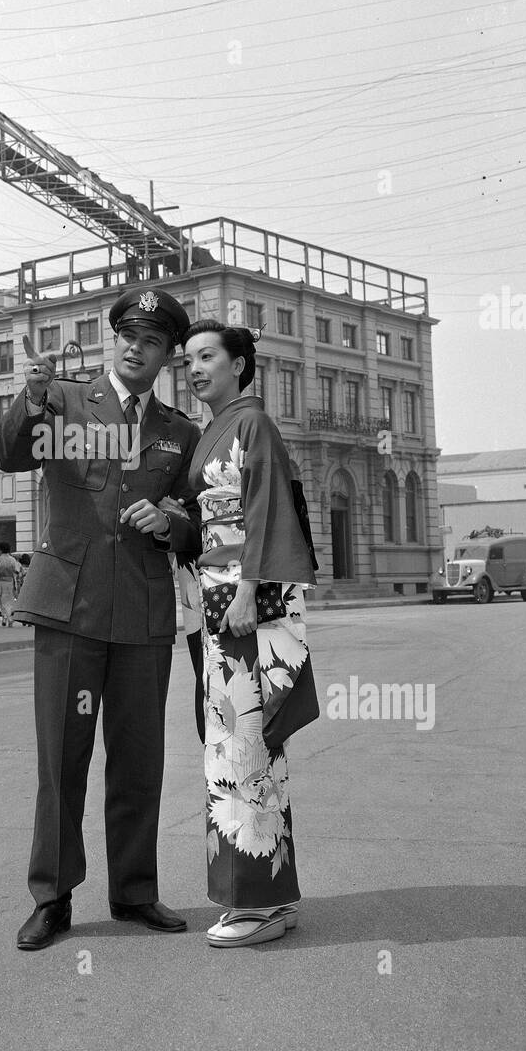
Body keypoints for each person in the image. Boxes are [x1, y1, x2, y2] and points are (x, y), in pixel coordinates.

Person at [0, 287, 202, 951]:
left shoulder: (179, 430)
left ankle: (135, 892)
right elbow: (9, 456)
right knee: (62, 758)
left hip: (142, 613)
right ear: (113, 339)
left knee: (139, 759)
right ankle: (52, 897)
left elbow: (201, 520)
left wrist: (171, 521)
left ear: (168, 353)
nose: (135, 347)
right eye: (127, 335)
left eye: (150, 340)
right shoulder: (63, 402)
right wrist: (29, 397)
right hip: (69, 609)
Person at [183, 320, 319, 949]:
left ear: (240, 365)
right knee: (251, 742)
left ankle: (253, 905)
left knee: (241, 744)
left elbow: (264, 509)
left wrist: (246, 588)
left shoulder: (251, 425)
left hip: (243, 597)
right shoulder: (219, 429)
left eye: (208, 356)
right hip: (220, 593)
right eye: (188, 359)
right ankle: (278, 893)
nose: (194, 367)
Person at [0, 542, 23, 626]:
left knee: (1, 601)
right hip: (10, 582)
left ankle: (4, 617)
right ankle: (9, 618)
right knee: (9, 601)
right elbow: (17, 571)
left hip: (0, 582)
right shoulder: (12, 559)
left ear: (1, 549)